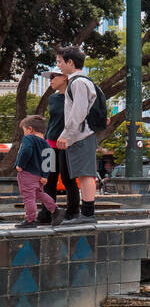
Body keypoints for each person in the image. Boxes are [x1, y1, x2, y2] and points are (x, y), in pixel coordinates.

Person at [51, 47, 104, 225]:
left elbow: (78, 111)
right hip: (82, 134)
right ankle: (87, 213)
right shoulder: (79, 81)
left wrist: (66, 134)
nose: (59, 66)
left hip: (82, 134)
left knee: (86, 174)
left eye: (60, 62)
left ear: (70, 62)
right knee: (83, 174)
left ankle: (88, 214)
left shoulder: (78, 83)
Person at [37, 68, 80, 224]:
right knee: (47, 181)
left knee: (68, 180)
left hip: (67, 144)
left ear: (65, 78)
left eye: (54, 76)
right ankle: (46, 213)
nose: (51, 79)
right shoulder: (52, 98)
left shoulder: (75, 97)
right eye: (50, 77)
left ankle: (73, 212)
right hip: (49, 144)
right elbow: (53, 122)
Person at [14, 116, 64, 229]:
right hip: (39, 176)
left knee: (28, 197)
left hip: (27, 173)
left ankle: (30, 219)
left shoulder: (28, 138)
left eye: (24, 130)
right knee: (39, 194)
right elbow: (49, 161)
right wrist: (45, 176)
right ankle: (55, 210)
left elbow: (26, 150)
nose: (24, 133)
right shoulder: (47, 144)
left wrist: (20, 165)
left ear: (30, 129)